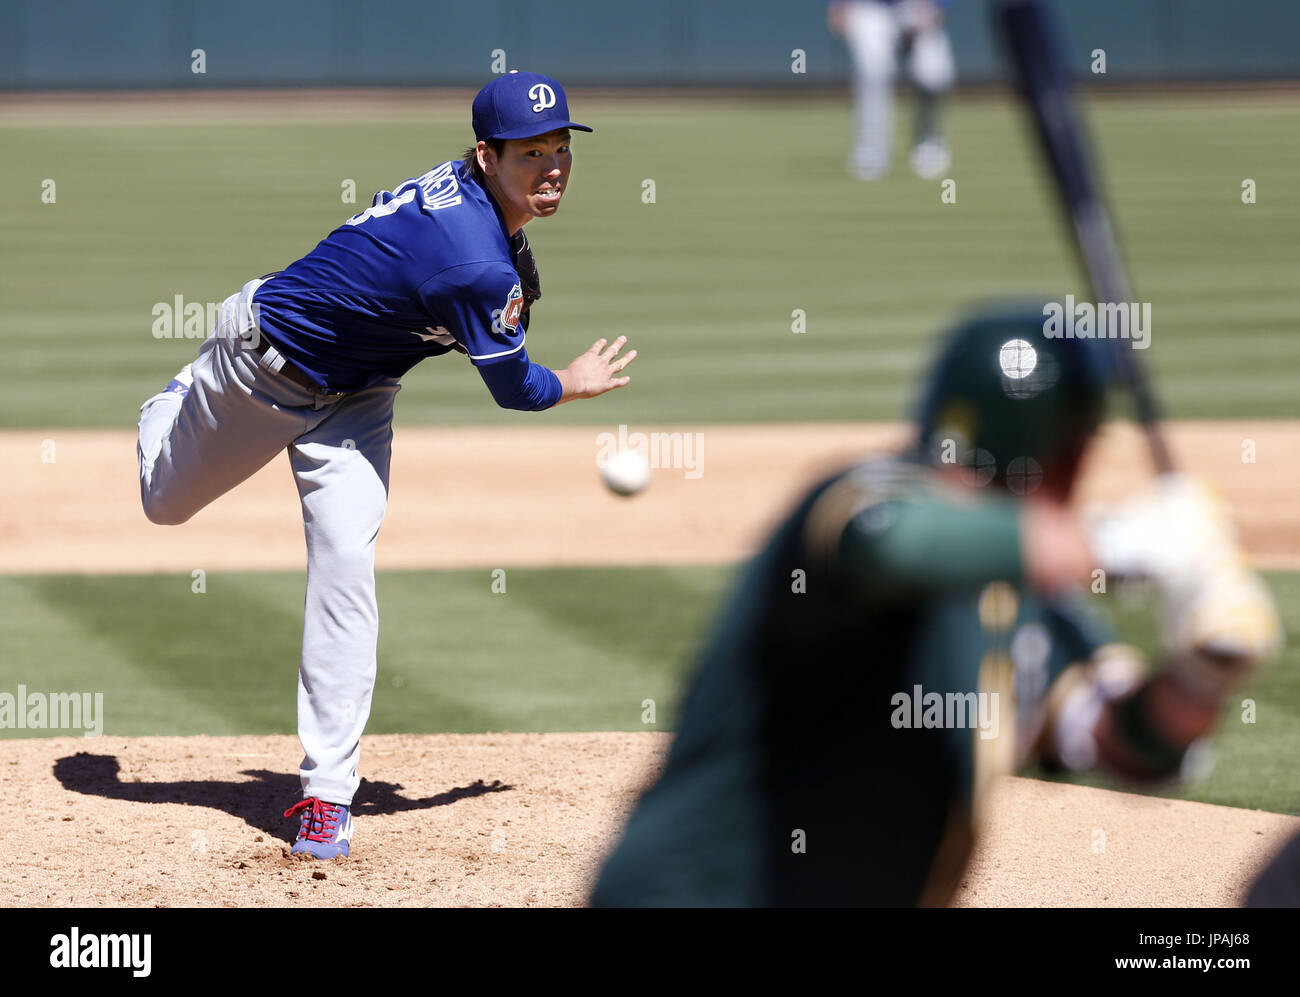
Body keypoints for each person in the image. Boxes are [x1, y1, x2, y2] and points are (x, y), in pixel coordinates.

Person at [591, 304, 1280, 906]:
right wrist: (1113, 542)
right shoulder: (863, 500)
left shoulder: (1022, 604)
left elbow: (1122, 741)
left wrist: (1204, 672)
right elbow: (889, 545)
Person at [136, 72, 637, 859]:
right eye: (531, 153)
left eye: (561, 149)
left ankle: (326, 798)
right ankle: (175, 399)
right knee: (163, 502)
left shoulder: (474, 210)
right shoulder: (474, 264)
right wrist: (573, 381)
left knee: (345, 565)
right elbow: (516, 387)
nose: (552, 168)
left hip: (360, 395)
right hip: (258, 366)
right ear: (486, 156)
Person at [828, 0, 957, 180]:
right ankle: (871, 148)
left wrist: (938, 6)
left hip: (917, 6)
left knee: (934, 73)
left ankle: (928, 141)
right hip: (870, 8)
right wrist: (838, 5)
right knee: (873, 73)